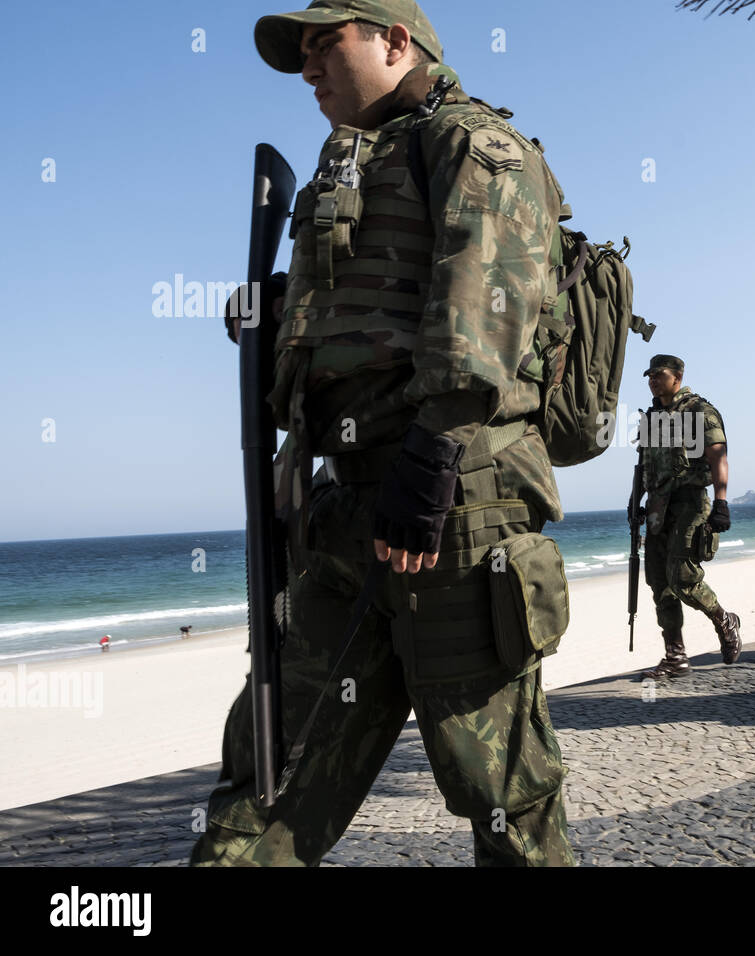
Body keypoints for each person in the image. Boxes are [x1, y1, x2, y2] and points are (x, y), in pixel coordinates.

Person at [192, 0, 574, 866]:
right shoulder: (359, 164)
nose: (309, 70)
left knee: (504, 799)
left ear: (396, 41)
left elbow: (491, 298)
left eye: (326, 45)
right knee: (268, 777)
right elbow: (368, 314)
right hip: (349, 507)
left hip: (456, 504)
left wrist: (436, 448)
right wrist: (279, 313)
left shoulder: (473, 144)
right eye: (302, 56)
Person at [634, 355, 741, 680]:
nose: (652, 379)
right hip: (657, 507)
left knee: (682, 576)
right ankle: (675, 657)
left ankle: (724, 619)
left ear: (677, 376)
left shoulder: (698, 410)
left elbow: (718, 455)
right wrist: (635, 503)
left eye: (659, 374)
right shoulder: (651, 418)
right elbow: (643, 466)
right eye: (649, 375)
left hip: (690, 502)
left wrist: (721, 502)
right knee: (659, 584)